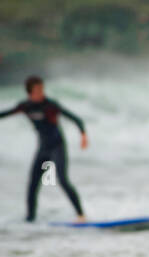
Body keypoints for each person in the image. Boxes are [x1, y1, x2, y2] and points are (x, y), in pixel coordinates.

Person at [1, 76, 87, 222]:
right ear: (30, 92)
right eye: (38, 90)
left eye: (42, 89)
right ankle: (30, 219)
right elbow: (4, 114)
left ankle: (81, 215)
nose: (42, 92)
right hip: (43, 149)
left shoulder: (50, 105)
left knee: (63, 180)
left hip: (57, 147)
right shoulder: (25, 106)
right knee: (33, 184)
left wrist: (83, 134)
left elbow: (76, 119)